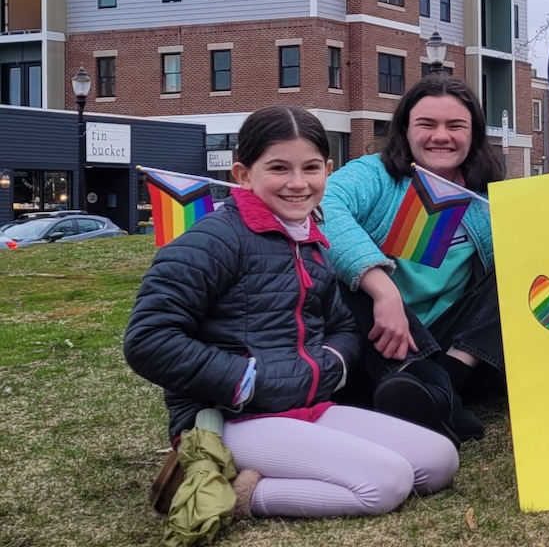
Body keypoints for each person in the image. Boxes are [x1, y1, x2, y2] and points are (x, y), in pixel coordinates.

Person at [125, 106, 458, 519]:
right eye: (279, 168)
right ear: (243, 175)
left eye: (311, 168)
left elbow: (341, 325)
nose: (298, 184)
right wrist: (245, 381)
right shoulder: (212, 240)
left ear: (328, 170)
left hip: (309, 405)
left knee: (439, 462)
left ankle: (283, 467)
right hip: (229, 417)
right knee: (386, 483)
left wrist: (330, 365)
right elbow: (148, 339)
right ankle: (239, 493)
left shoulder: (312, 240)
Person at [322, 75, 504, 445]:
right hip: (373, 335)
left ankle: (443, 385)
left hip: (453, 345)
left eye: (455, 126)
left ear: (474, 134)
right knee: (342, 280)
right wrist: (383, 291)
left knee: (522, 271)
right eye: (427, 124)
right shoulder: (372, 173)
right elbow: (323, 208)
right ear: (405, 130)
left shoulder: (487, 198)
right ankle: (431, 395)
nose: (441, 136)